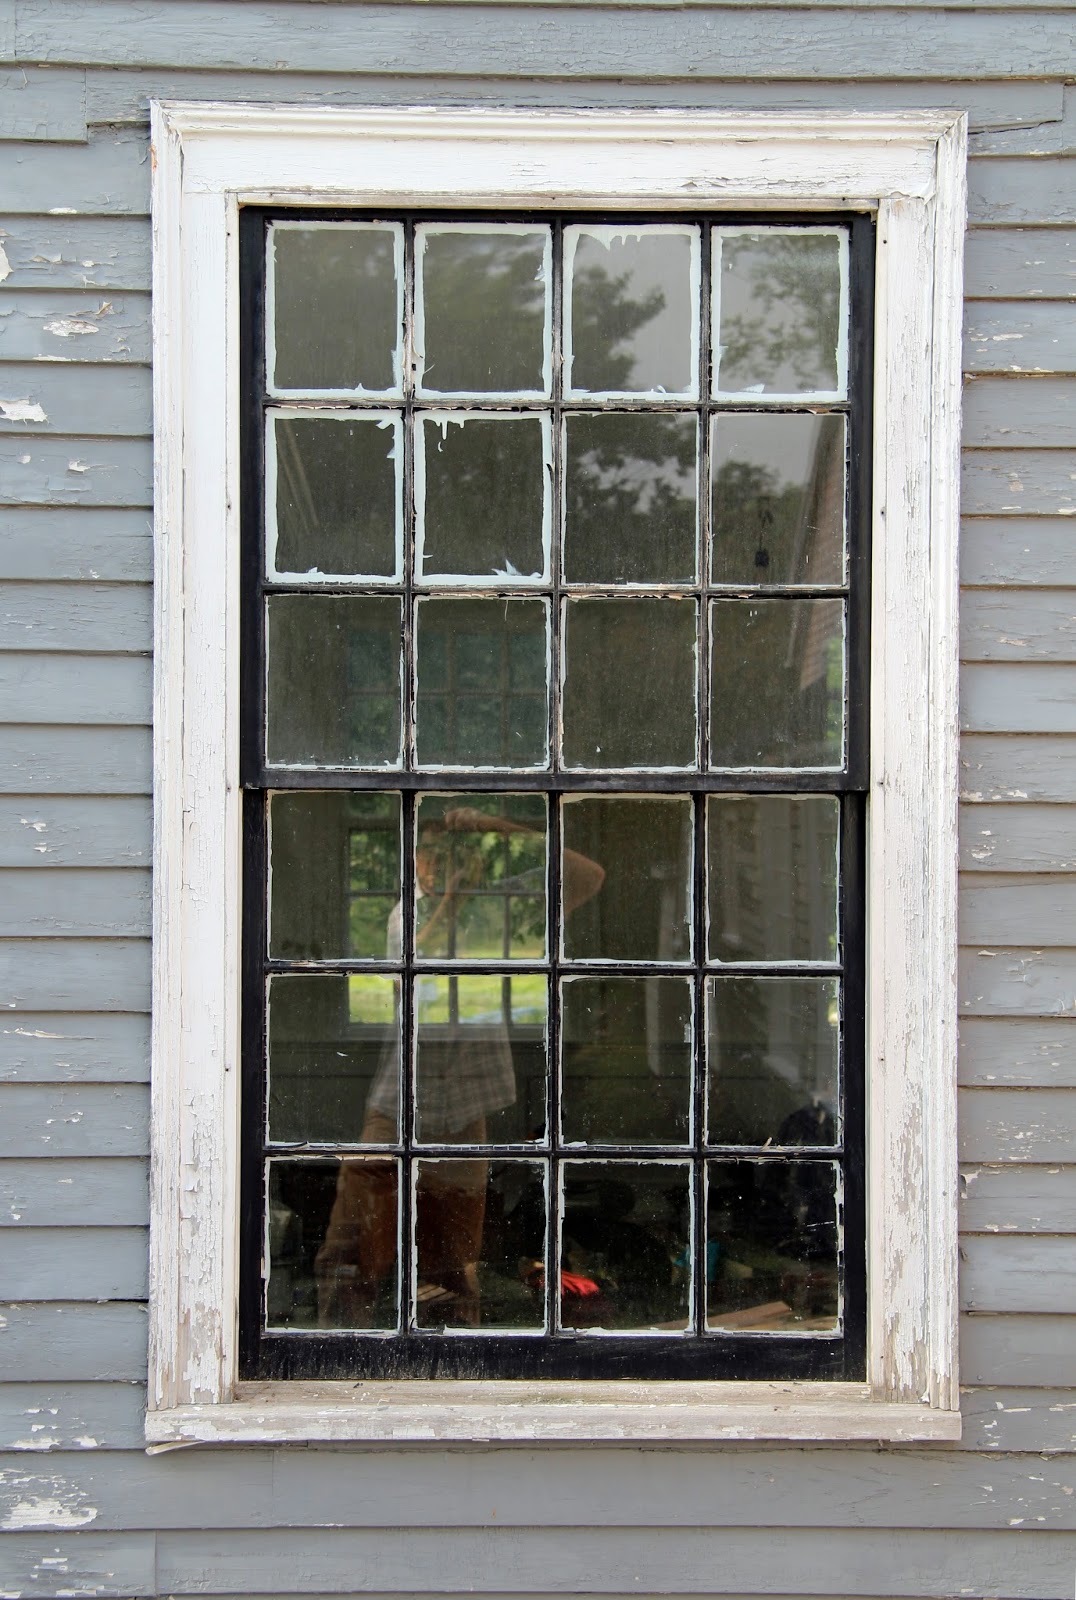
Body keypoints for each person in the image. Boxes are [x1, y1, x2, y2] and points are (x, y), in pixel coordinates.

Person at [315, 804, 603, 1328]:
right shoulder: (408, 913)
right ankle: (337, 1343)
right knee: (353, 1238)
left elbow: (587, 875)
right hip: (402, 1094)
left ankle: (460, 1348)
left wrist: (501, 828)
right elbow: (415, 973)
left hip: (468, 1098)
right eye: (427, 854)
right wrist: (454, 898)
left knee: (456, 1255)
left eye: (449, 856)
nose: (435, 865)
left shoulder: (500, 904)